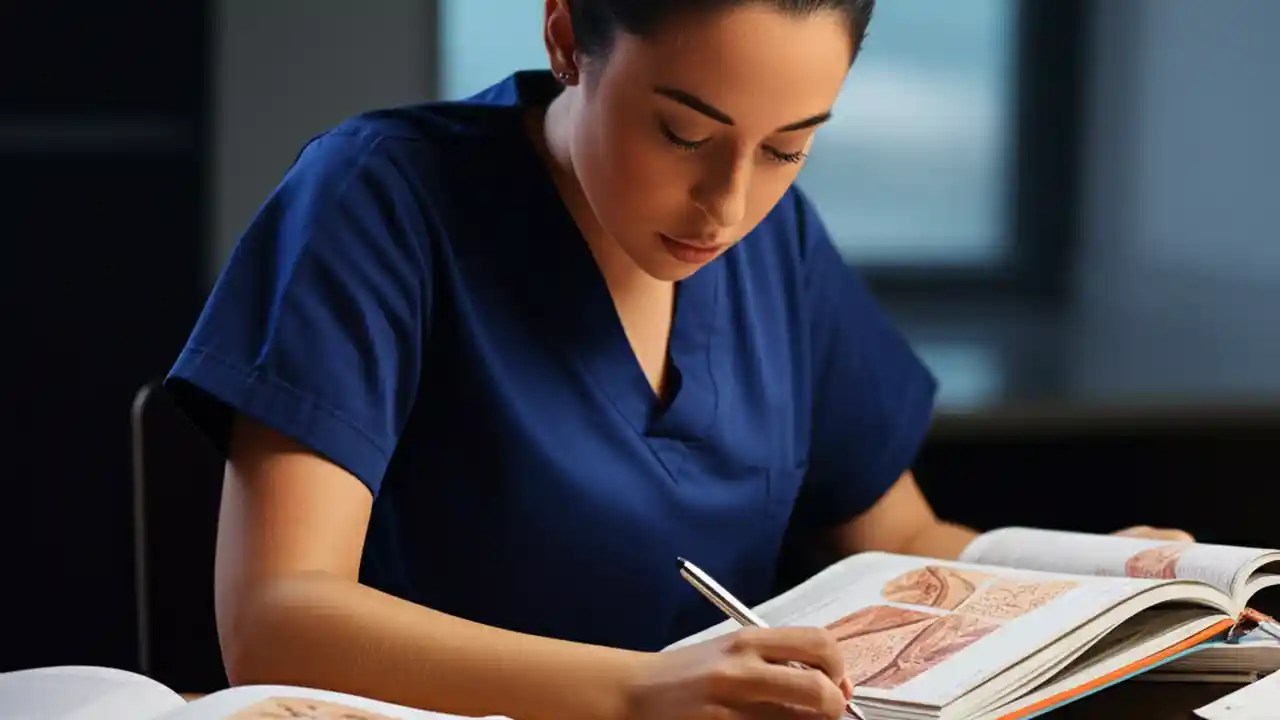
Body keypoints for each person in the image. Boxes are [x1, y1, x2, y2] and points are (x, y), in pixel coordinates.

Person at [164, 1, 1193, 718]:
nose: (728, 206)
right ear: (565, 31)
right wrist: (637, 693)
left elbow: (899, 536)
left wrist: (1101, 585)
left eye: (787, 148)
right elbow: (276, 617)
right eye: (679, 133)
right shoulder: (382, 199)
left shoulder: (775, 250)